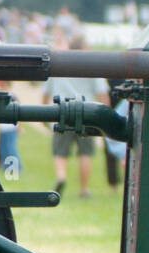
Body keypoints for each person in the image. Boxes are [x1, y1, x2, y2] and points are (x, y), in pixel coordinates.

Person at [43, 33, 108, 198]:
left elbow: (46, 92)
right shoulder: (92, 65)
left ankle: (61, 176)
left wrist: (44, 112)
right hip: (86, 113)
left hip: (61, 111)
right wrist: (105, 112)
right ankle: (84, 189)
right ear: (84, 48)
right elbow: (102, 92)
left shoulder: (59, 64)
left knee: (60, 152)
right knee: (85, 153)